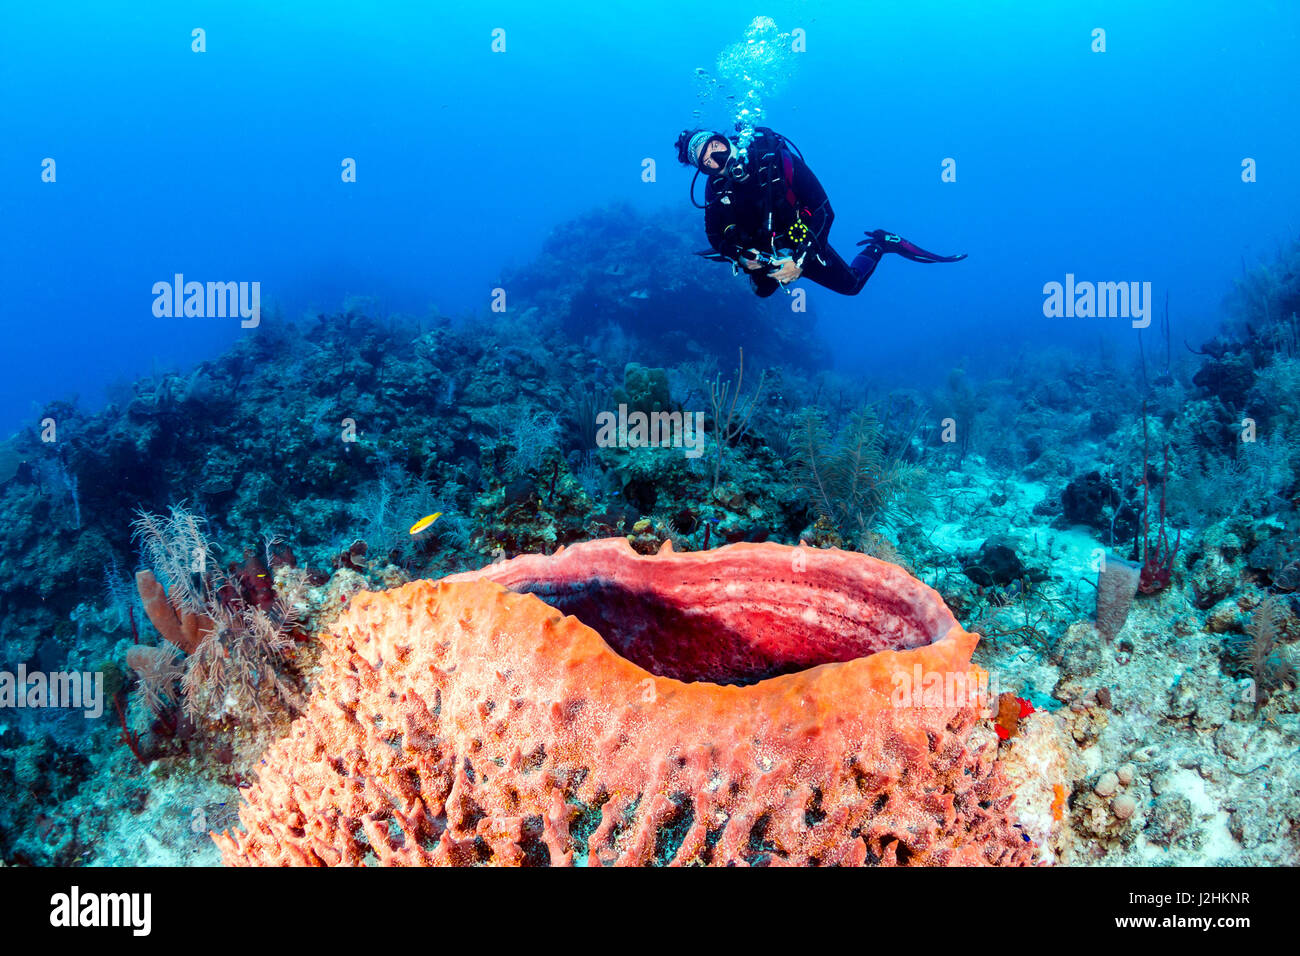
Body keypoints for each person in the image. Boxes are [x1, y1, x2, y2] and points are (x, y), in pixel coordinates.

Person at [675, 127, 966, 298]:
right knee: (763, 292)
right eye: (708, 160)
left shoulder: (775, 160)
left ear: (724, 139)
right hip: (762, 248)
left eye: (716, 145)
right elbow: (714, 235)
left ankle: (882, 244)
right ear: (703, 170)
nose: (718, 157)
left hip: (803, 238)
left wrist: (799, 261)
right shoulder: (716, 188)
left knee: (851, 287)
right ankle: (766, 272)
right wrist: (739, 254)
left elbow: (824, 211)